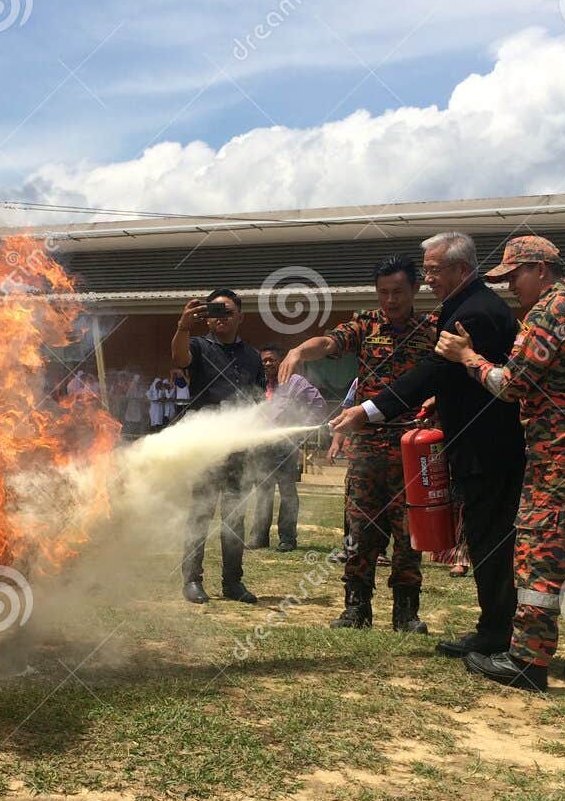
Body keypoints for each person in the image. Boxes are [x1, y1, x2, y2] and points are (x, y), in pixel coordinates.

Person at [428, 235, 565, 692]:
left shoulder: (548, 312)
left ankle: (527, 659)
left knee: (538, 558)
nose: (509, 288)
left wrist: (468, 358)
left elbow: (512, 384)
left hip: (561, 459)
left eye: (514, 276)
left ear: (540, 269)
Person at [326, 233, 526, 658]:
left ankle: (495, 633)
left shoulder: (476, 312)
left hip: (487, 450)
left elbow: (433, 371)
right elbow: (451, 377)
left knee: (489, 540)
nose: (429, 277)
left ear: (460, 269)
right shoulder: (464, 306)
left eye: (434, 270)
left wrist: (366, 411)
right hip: (469, 447)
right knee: (481, 537)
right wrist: (443, 396)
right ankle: (491, 626)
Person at [280, 256, 435, 632]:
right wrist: (299, 350)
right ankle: (356, 607)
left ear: (415, 289)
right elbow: (329, 342)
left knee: (408, 532)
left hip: (412, 448)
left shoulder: (433, 328)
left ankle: (406, 612)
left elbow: (455, 372)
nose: (391, 300)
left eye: (398, 292)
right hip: (367, 450)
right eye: (383, 292)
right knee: (360, 530)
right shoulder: (366, 324)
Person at [172, 289, 265, 604]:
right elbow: (179, 358)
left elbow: (257, 398)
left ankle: (233, 582)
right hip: (206, 447)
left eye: (226, 311)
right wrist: (183, 327)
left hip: (237, 447)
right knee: (201, 513)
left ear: (240, 316)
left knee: (234, 516)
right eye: (213, 311)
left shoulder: (252, 356)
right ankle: (192, 581)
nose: (219, 317)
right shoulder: (198, 346)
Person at [246, 345, 326, 552]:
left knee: (287, 493)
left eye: (272, 359)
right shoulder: (258, 384)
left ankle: (287, 539)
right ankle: (259, 537)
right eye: (263, 360)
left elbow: (318, 404)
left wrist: (301, 429)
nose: (267, 363)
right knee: (263, 493)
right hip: (261, 446)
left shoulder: (295, 382)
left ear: (281, 361)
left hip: (286, 446)